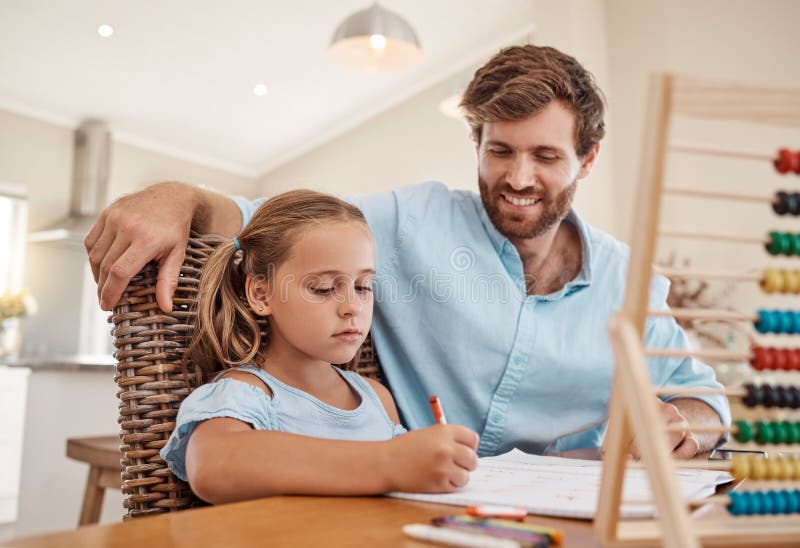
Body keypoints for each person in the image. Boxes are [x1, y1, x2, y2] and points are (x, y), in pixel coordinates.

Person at [86, 44, 731, 461]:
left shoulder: (629, 280)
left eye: (546, 156)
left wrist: (683, 424)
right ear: (476, 144)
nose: (519, 178)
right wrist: (179, 196)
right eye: (500, 150)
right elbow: (269, 223)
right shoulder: (408, 221)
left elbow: (706, 401)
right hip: (427, 512)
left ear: (587, 160)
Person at [158, 189, 479, 504]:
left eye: (363, 286)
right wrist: (389, 462)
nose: (352, 306)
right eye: (324, 288)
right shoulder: (245, 395)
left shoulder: (375, 397)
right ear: (261, 294)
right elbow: (215, 466)